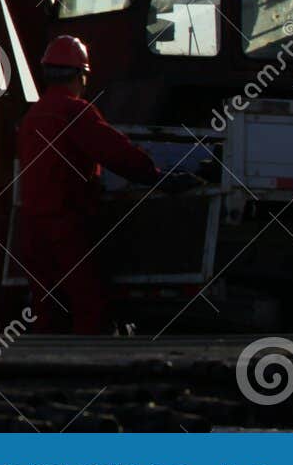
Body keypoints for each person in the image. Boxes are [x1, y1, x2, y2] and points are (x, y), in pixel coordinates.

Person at [16, 35, 189, 334]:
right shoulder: (74, 111)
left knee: (47, 308)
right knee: (89, 303)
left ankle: (45, 372)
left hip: (32, 226)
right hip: (66, 225)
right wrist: (157, 177)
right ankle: (89, 370)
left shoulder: (34, 116)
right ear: (80, 75)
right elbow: (115, 152)